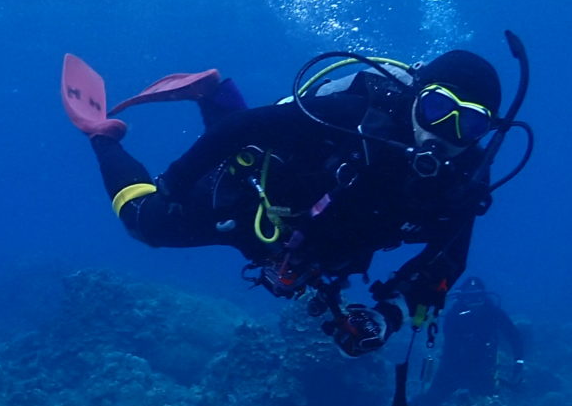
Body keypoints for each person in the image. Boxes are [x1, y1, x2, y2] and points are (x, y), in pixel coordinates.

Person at [63, 46, 524, 360]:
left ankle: (214, 93)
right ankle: (103, 136)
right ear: (415, 99)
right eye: (435, 109)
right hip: (255, 198)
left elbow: (445, 265)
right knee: (146, 224)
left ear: (486, 133)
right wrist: (173, 186)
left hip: (306, 241)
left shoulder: (463, 181)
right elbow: (241, 131)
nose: (444, 133)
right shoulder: (353, 118)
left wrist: (385, 318)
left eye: (468, 124)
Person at [414, 276, 527, 405]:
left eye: (478, 296)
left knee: (486, 405)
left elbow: (514, 336)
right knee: (430, 402)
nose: (474, 301)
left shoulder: (494, 313)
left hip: (484, 367)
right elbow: (450, 348)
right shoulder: (453, 315)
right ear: (462, 298)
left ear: (484, 296)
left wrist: (519, 362)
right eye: (470, 297)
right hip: (453, 367)